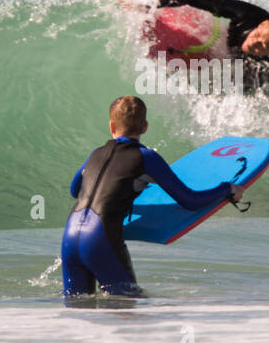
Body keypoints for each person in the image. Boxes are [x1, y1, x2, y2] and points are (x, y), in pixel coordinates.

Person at [62, 96, 242, 297]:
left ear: (111, 126)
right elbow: (190, 201)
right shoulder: (146, 158)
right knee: (126, 306)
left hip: (70, 236)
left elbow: (74, 190)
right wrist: (227, 189)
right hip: (99, 239)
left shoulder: (95, 154)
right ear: (145, 126)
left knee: (76, 310)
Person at [152, 0, 269, 91]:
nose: (254, 42)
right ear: (262, 24)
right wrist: (152, 4)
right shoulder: (248, 14)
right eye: (258, 35)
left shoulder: (263, 70)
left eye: (263, 46)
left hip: (245, 73)